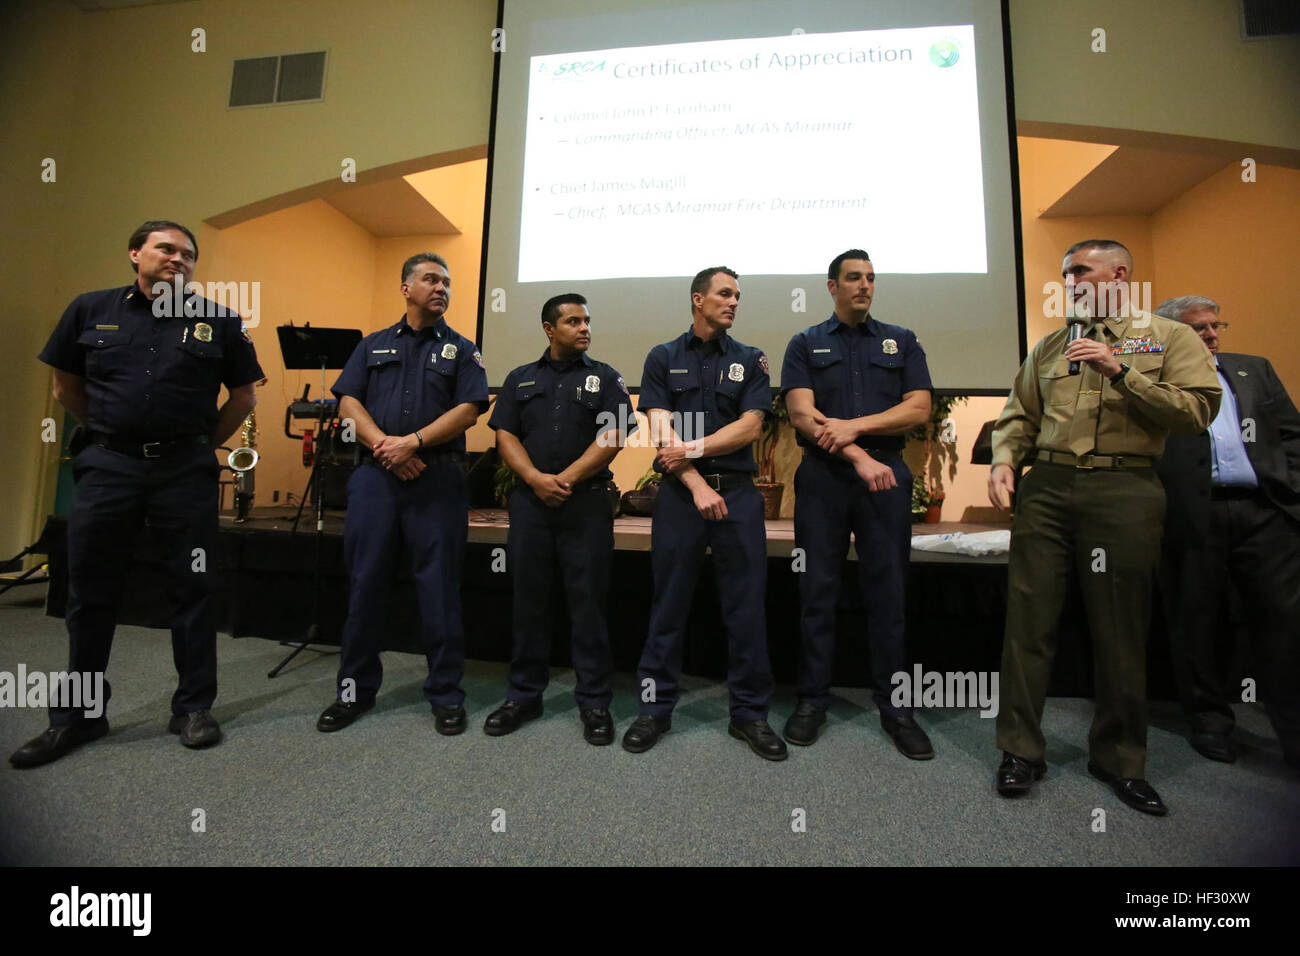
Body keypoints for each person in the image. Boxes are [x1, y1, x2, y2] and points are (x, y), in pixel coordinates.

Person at [11, 220, 263, 767]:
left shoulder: (218, 320)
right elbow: (65, 387)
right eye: (166, 249)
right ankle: (78, 718)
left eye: (188, 254)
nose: (179, 259)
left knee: (193, 590)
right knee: (90, 592)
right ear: (135, 254)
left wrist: (200, 446)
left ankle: (192, 708)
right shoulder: (89, 308)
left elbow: (243, 397)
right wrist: (109, 433)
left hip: (184, 472)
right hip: (110, 469)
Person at [988, 239, 1219, 815]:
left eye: (1080, 271)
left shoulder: (1165, 337)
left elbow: (1196, 412)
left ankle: (1118, 758)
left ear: (1119, 273)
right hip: (1049, 489)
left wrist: (1120, 372)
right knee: (1027, 623)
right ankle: (1021, 751)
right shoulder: (1051, 345)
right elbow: (1020, 414)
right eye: (1065, 274)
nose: (1068, 282)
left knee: (1120, 627)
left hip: (1125, 491)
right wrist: (1003, 462)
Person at [316, 253, 488, 735]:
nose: (441, 288)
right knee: (365, 585)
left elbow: (470, 409)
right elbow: (348, 401)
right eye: (430, 279)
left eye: (447, 282)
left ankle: (446, 694)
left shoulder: (462, 349)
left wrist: (411, 443)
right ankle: (354, 692)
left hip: (438, 478)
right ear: (405, 287)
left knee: (439, 590)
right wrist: (384, 447)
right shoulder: (371, 346)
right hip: (375, 479)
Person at [623, 266, 786, 760]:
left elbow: (750, 426)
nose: (734, 302)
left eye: (737, 295)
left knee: (746, 607)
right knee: (668, 603)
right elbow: (658, 425)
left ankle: (750, 716)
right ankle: (654, 710)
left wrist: (690, 451)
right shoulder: (662, 357)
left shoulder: (750, 359)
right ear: (698, 299)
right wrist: (694, 482)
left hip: (737, 494)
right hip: (680, 496)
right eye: (724, 294)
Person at [780, 249, 935, 757]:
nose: (864, 286)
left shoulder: (903, 340)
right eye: (853, 278)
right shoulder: (806, 343)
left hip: (886, 475)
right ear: (832, 286)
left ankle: (896, 708)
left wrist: (857, 428)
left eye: (870, 278)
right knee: (816, 592)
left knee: (888, 593)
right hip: (824, 478)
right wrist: (856, 455)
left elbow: (918, 406)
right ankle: (812, 700)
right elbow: (803, 415)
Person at [1153, 295, 1299, 770]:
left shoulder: (1253, 370)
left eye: (1216, 326)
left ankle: (1293, 728)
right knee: (1196, 620)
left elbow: (1291, 435)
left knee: (1284, 624)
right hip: (1193, 516)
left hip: (1264, 514)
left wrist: (1290, 495)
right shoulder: (1153, 379)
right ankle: (1210, 722)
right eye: (1199, 329)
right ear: (1173, 336)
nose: (1212, 335)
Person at [484, 293, 636, 745]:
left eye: (587, 320)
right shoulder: (520, 378)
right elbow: (505, 434)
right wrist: (534, 479)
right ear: (550, 330)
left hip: (586, 504)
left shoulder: (606, 377)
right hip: (531, 505)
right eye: (572, 321)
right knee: (529, 602)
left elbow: (614, 435)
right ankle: (523, 696)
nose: (584, 328)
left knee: (588, 603)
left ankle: (593, 702)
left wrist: (563, 480)